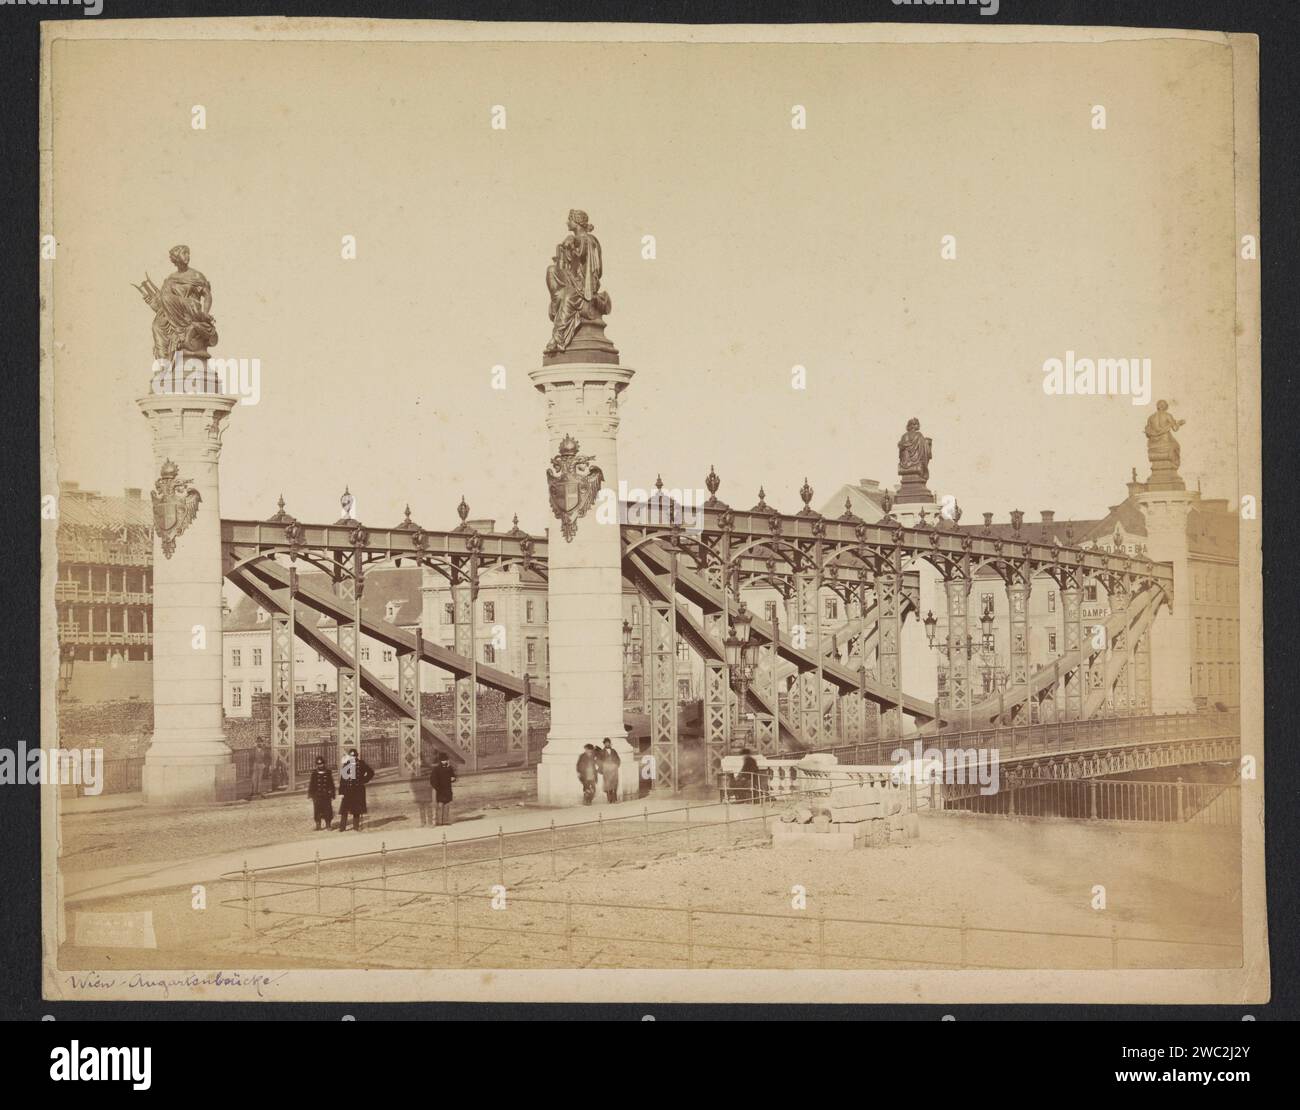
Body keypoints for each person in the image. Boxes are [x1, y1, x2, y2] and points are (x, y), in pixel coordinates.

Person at [338, 747, 374, 832]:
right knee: (344, 810)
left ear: (356, 756)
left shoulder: (361, 764)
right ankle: (342, 828)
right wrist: (341, 792)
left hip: (358, 790)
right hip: (347, 790)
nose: (352, 759)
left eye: (354, 757)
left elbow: (371, 772)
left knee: (356, 809)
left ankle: (355, 827)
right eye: (351, 757)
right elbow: (342, 779)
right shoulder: (346, 765)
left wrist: (364, 780)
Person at [307, 756, 335, 831]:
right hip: (317, 795)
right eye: (319, 764)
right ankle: (318, 825)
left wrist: (332, 793)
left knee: (327, 810)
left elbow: (331, 783)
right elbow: (312, 784)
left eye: (322, 764)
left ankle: (328, 824)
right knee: (317, 810)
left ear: (324, 764)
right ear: (317, 765)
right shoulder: (314, 773)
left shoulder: (328, 772)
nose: (320, 765)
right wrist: (310, 794)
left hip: (326, 795)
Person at [430, 753, 458, 827]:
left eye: (445, 760)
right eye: (443, 760)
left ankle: (445, 821)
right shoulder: (436, 769)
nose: (444, 762)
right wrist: (436, 787)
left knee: (447, 805)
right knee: (440, 805)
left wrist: (454, 778)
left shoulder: (449, 768)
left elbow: (453, 776)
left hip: (447, 789)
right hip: (440, 789)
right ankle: (439, 822)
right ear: (440, 761)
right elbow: (433, 780)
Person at [600, 737, 621, 803]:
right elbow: (599, 761)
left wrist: (616, 765)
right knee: (608, 785)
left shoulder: (613, 751)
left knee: (614, 785)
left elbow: (618, 759)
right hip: (606, 771)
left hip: (614, 771)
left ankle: (615, 799)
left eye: (608, 743)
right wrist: (603, 768)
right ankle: (609, 800)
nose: (607, 744)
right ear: (604, 744)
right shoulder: (602, 752)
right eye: (606, 743)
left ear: (610, 743)